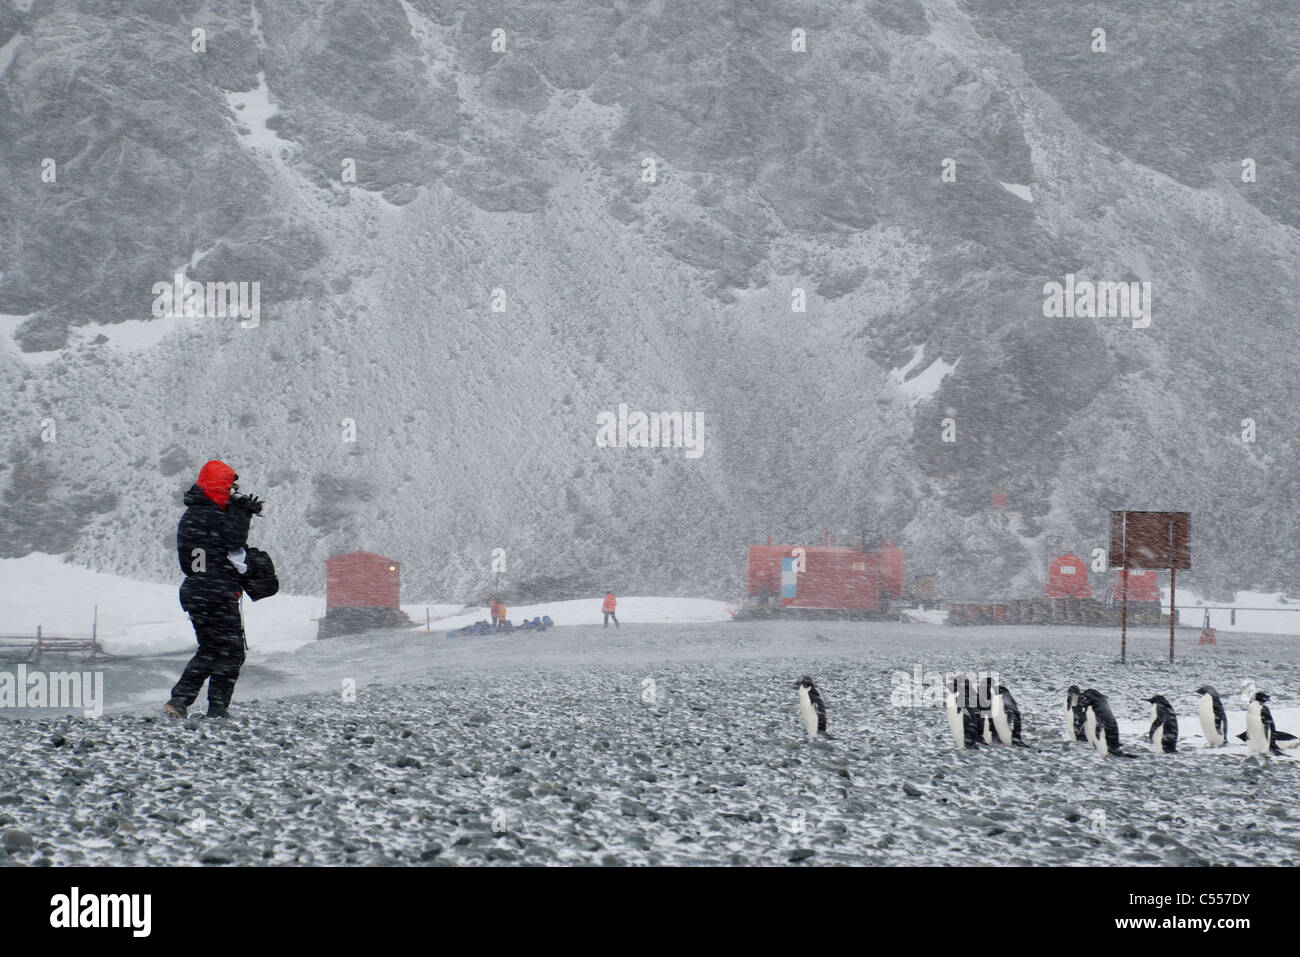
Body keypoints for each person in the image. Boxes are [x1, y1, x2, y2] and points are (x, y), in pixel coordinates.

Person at [164, 460, 263, 719]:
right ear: (219, 487)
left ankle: (179, 701)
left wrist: (234, 512)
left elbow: (204, 551)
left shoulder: (193, 515)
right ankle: (218, 709)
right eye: (229, 488)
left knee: (209, 649)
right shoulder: (211, 515)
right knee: (232, 652)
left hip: (195, 590)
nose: (232, 493)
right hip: (217, 591)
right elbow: (234, 540)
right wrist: (242, 513)